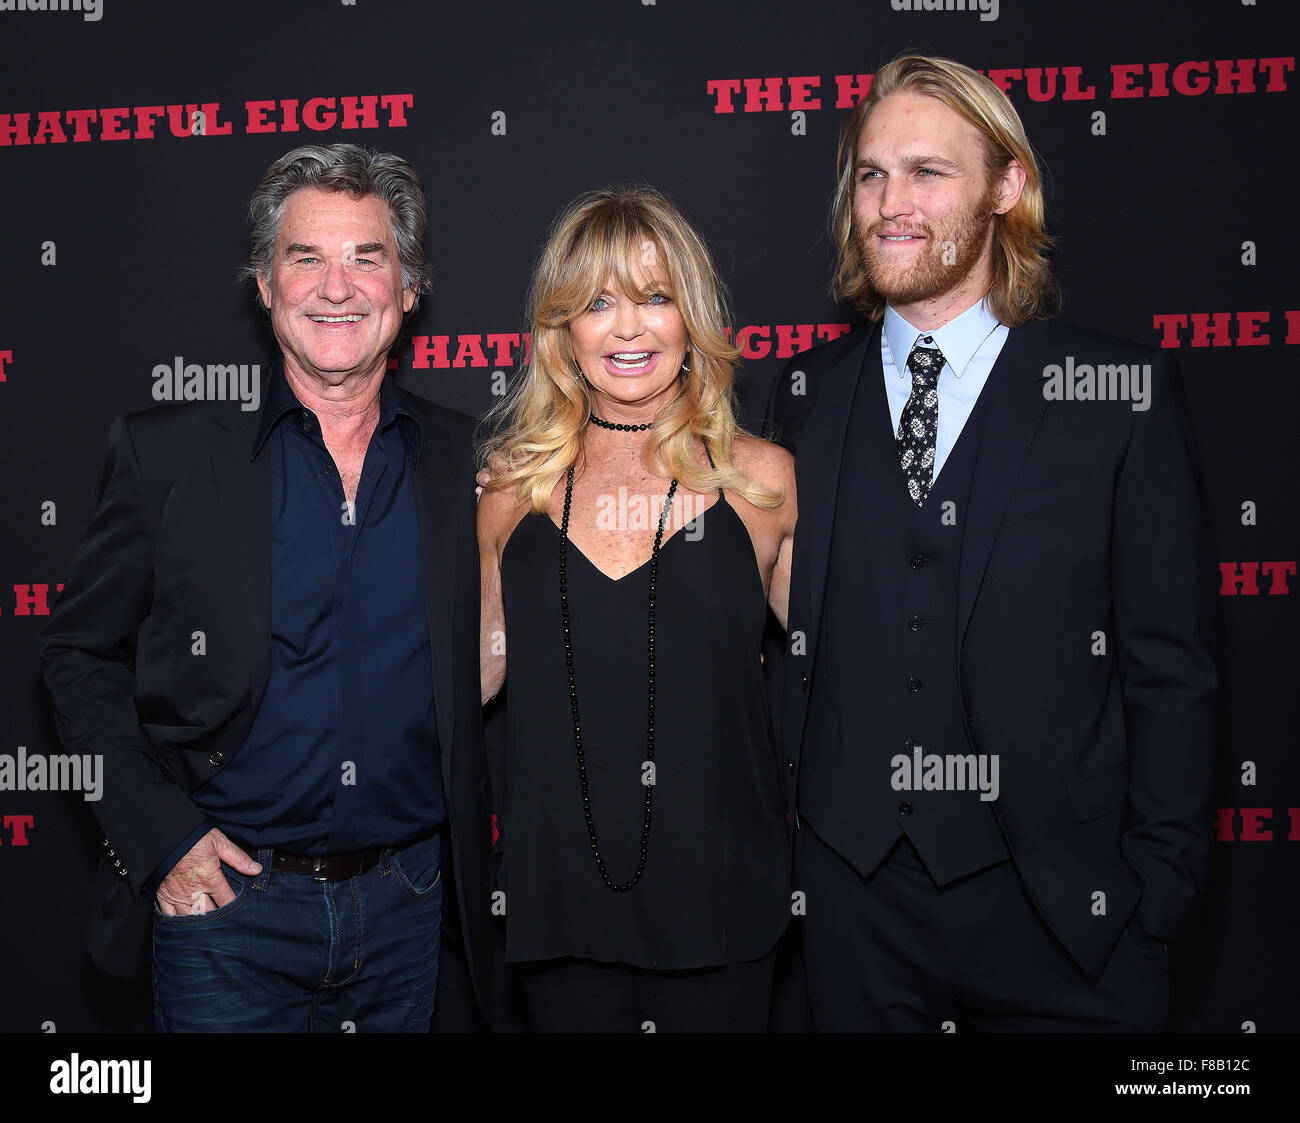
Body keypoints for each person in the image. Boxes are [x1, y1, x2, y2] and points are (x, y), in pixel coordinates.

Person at [767, 55, 1216, 1031]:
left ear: (1006, 187)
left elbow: (1169, 666)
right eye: (871, 174)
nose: (891, 203)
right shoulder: (800, 397)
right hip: (855, 910)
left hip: (1065, 913)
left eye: (927, 172)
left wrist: (1155, 893)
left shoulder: (1116, 395)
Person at [41, 143, 494, 1032]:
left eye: (367, 258)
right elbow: (76, 656)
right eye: (306, 258)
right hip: (225, 909)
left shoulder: (470, 461)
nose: (338, 287)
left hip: (408, 906)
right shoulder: (170, 455)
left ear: (409, 289)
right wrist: (161, 838)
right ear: (264, 284)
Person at [477, 185, 797, 1032]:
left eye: (655, 297)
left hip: (723, 902)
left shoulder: (763, 481)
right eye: (596, 303)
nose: (627, 329)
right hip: (557, 909)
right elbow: (466, 681)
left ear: (691, 318)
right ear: (562, 331)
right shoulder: (508, 490)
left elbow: (846, 682)